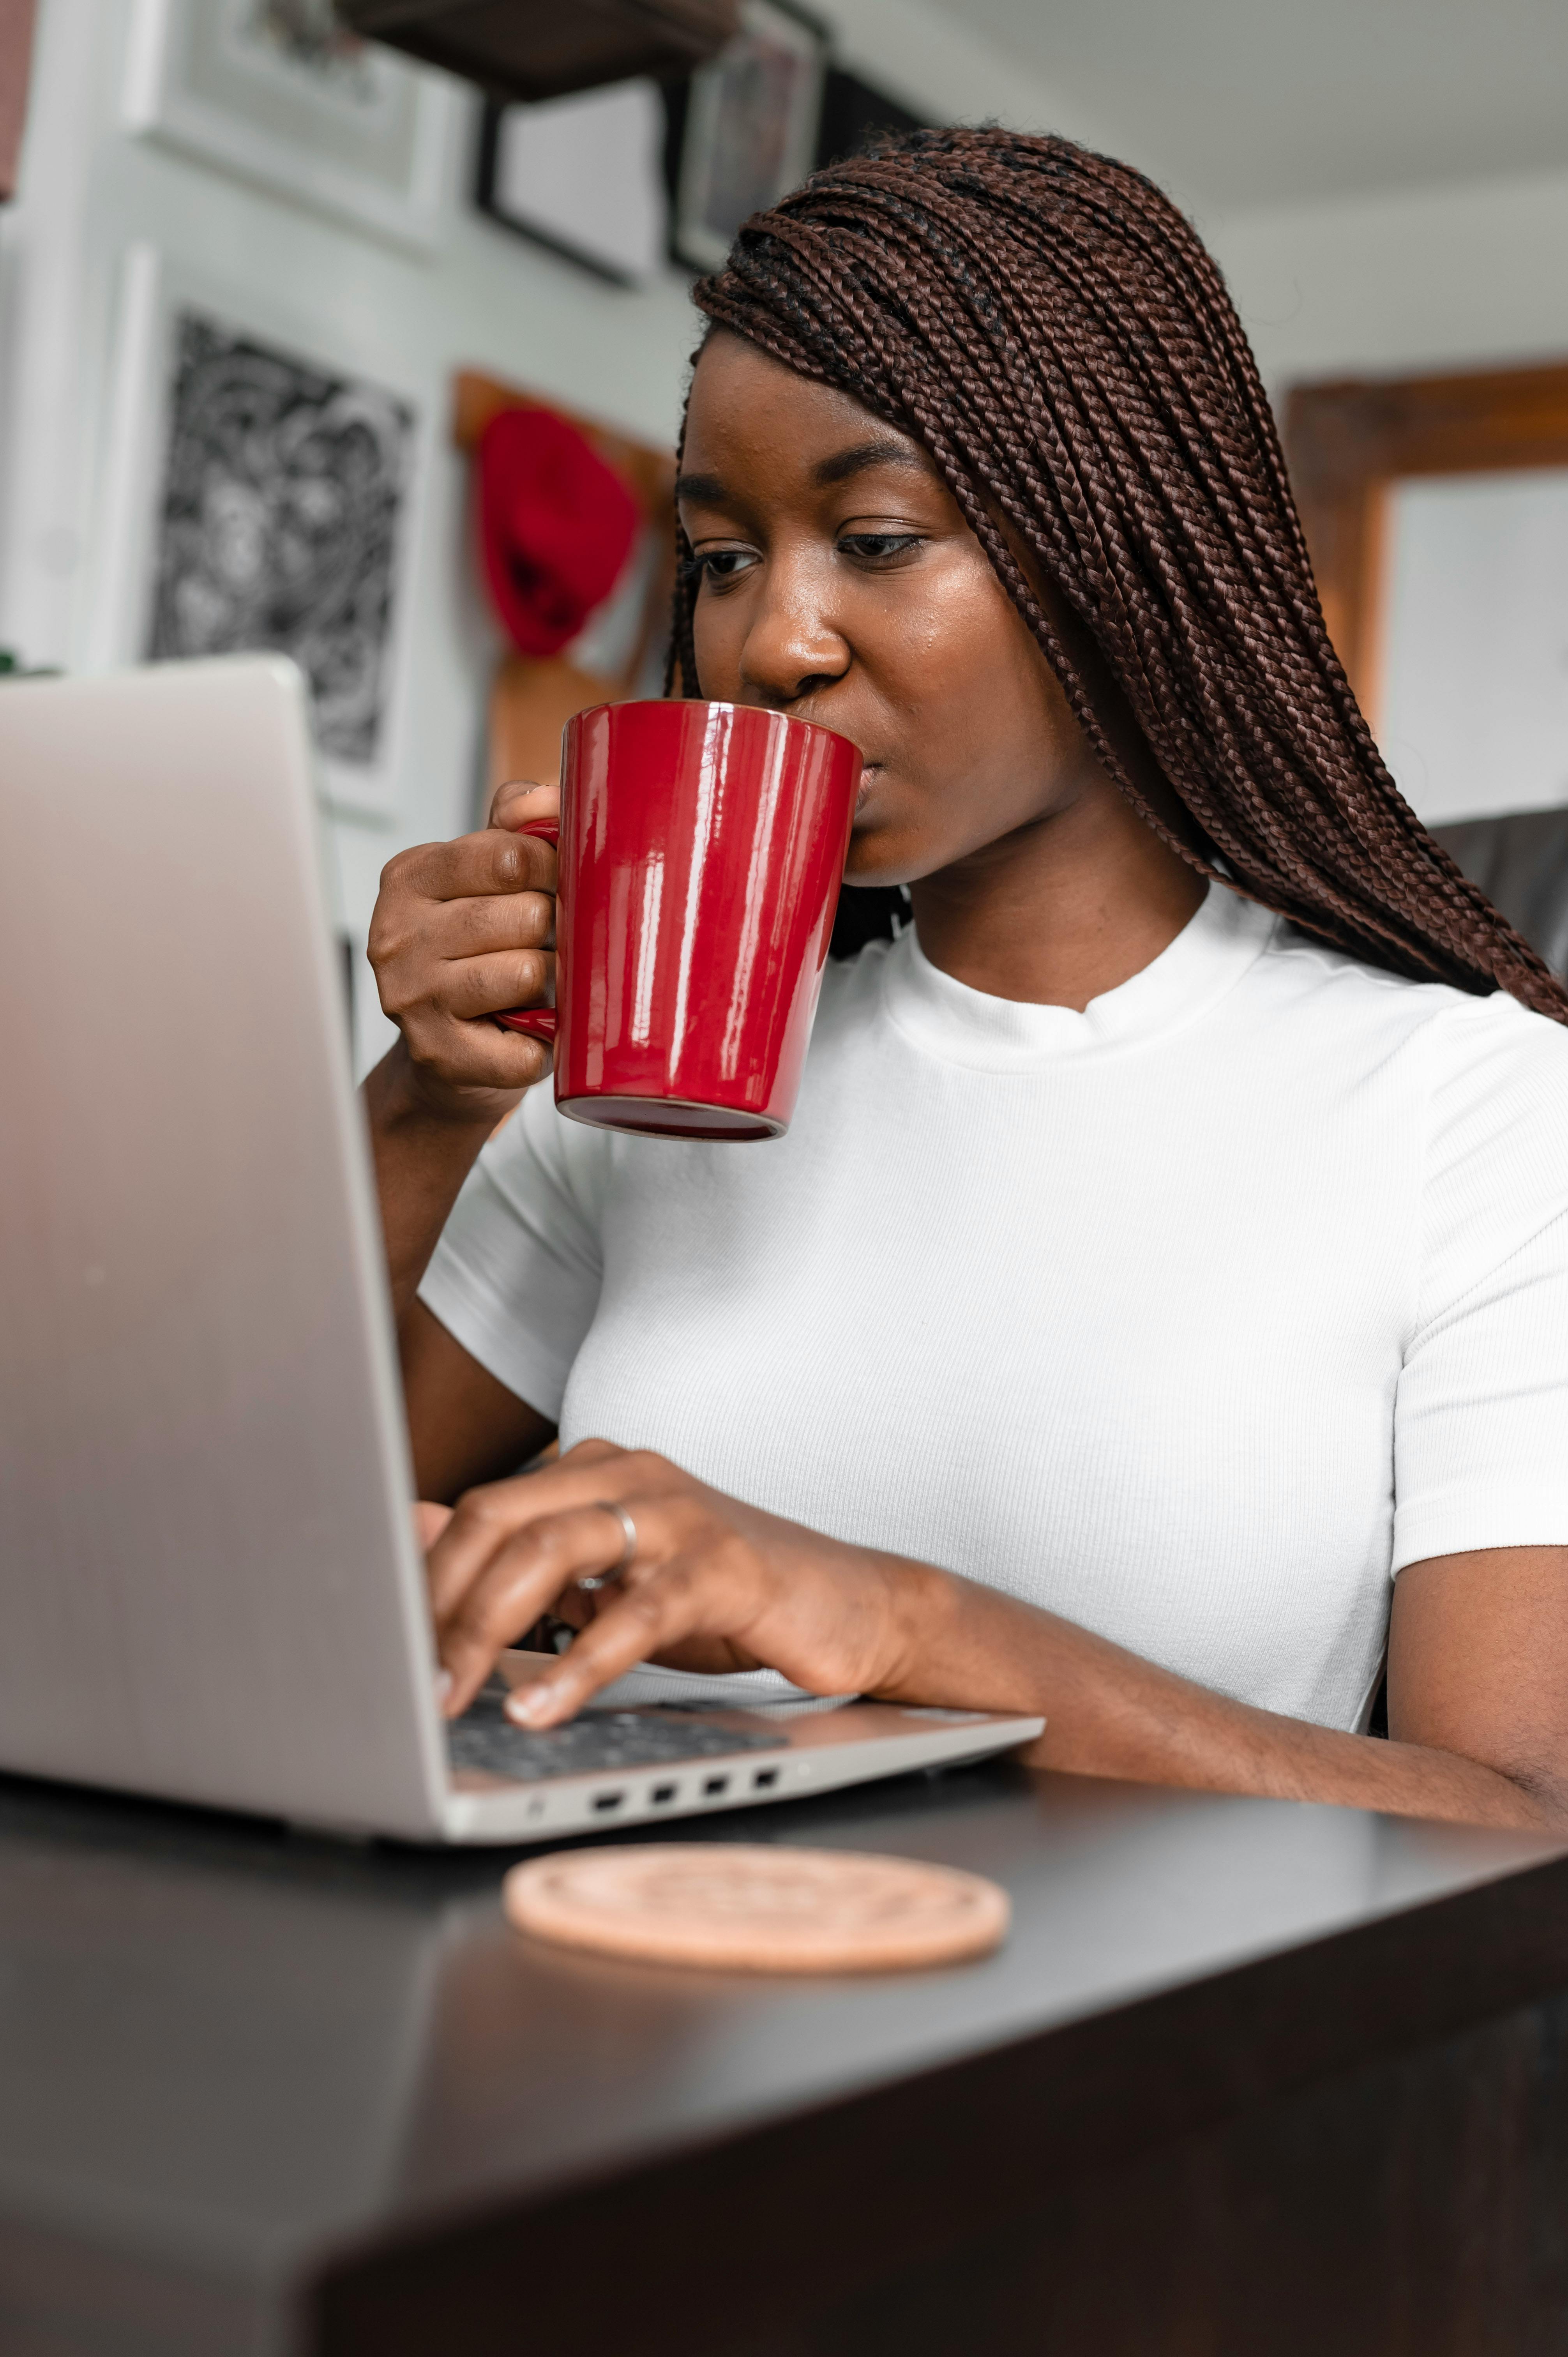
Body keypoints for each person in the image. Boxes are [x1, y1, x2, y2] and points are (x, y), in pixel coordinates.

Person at [364, 129, 1568, 1828]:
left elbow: (1521, 1823)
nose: (774, 641)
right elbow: (248, 1569)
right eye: (721, 559)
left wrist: (888, 1619)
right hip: (582, 2005)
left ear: (1111, 548)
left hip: (1114, 2073)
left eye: (871, 536)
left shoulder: (1472, 1107)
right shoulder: (646, 1084)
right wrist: (426, 1103)